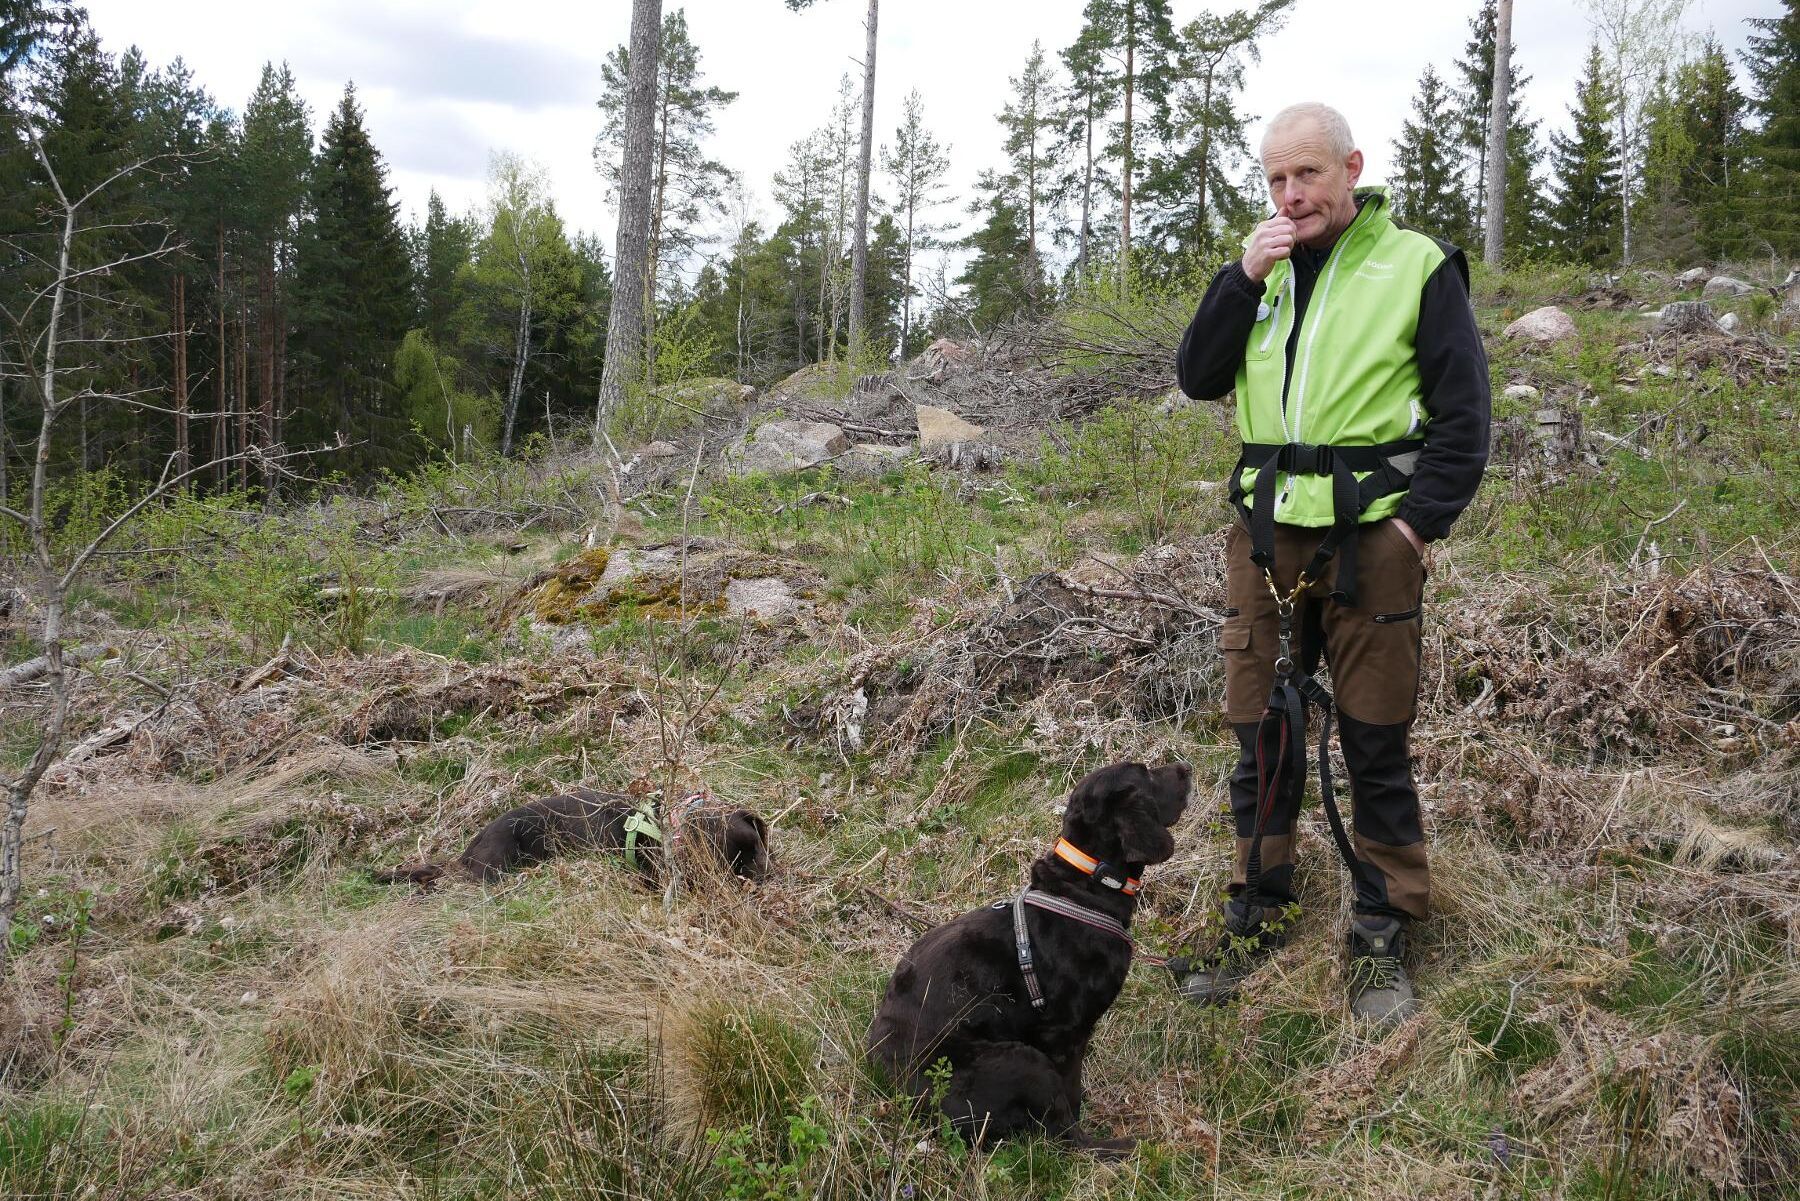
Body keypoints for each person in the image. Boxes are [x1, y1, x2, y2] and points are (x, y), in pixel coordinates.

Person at [1170, 102, 1490, 1027]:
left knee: (1374, 738)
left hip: (1373, 538)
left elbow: (1465, 418)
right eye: (1275, 178)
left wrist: (1414, 530)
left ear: (1351, 167)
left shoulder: (1416, 266)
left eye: (1307, 174)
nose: (1291, 195)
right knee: (1258, 732)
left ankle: (1383, 929)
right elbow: (1197, 375)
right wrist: (1241, 275)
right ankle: (1259, 909)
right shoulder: (1259, 272)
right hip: (1264, 539)